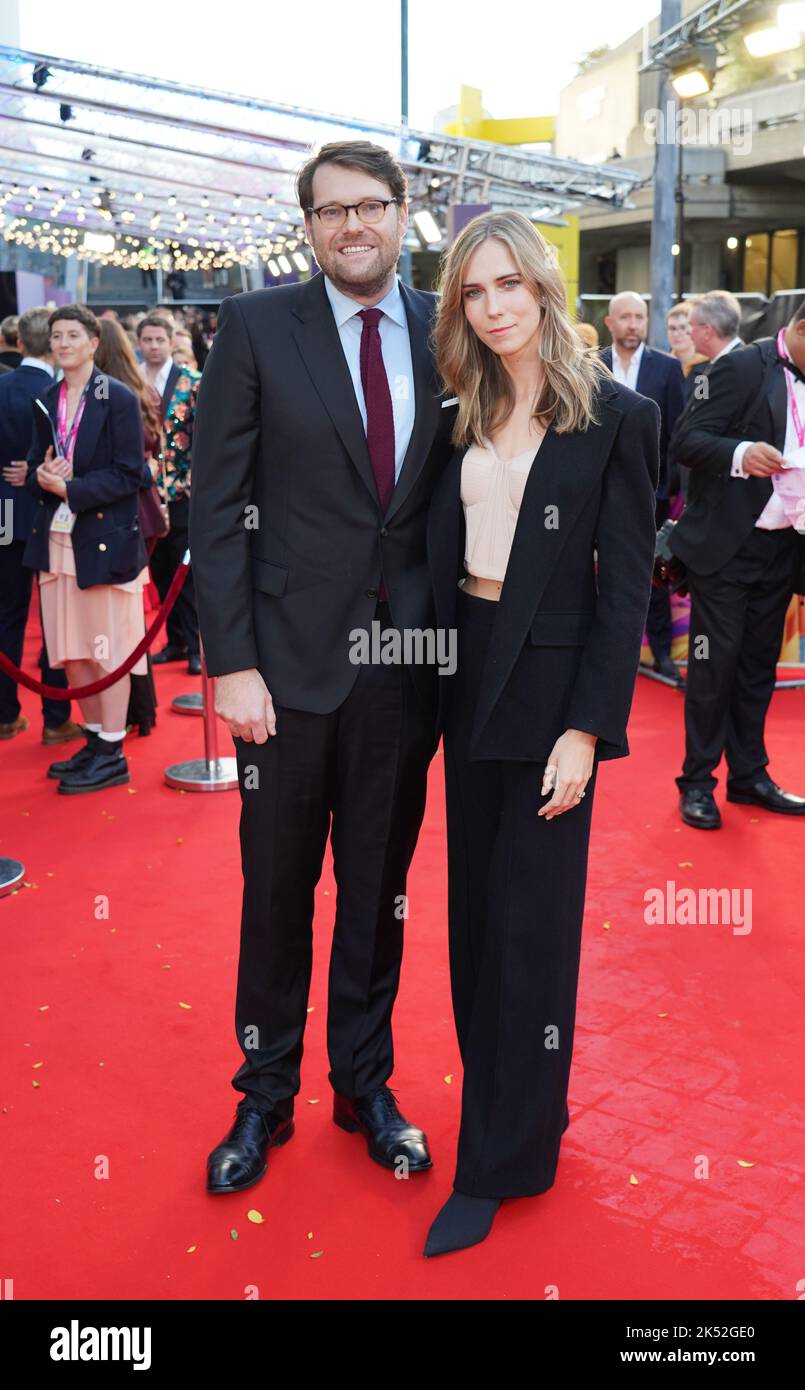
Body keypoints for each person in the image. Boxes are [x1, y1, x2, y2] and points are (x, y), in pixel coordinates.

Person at [189, 139, 457, 1195]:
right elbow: (216, 509)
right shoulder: (257, 327)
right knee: (276, 892)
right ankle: (263, 1093)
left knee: (378, 891)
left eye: (372, 207)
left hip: (406, 666)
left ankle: (361, 1082)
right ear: (307, 226)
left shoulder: (449, 326)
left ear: (402, 215)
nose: (353, 226)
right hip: (286, 673)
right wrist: (232, 663)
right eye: (331, 210)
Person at [425, 210, 659, 1255]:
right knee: (474, 922)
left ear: (544, 286)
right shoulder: (459, 410)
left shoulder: (614, 413)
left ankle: (500, 1162)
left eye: (509, 283)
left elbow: (620, 595)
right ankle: (512, 1109)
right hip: (464, 671)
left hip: (551, 690)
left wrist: (587, 730)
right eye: (475, 292)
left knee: (528, 932)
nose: (495, 305)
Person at [669, 299, 805, 829]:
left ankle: (749, 776)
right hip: (727, 550)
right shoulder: (739, 365)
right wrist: (741, 451)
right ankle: (697, 782)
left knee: (756, 671)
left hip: (783, 547)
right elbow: (686, 440)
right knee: (714, 669)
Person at [21, 305, 151, 793]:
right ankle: (95, 739)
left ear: (94, 342)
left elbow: (130, 474)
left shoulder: (115, 397)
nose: (63, 343)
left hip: (103, 541)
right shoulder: (46, 398)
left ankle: (114, 747)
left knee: (107, 651)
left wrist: (70, 490)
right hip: (54, 540)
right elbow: (38, 462)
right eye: (57, 336)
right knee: (72, 651)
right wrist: (41, 477)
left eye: (73, 335)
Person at [0, 307, 81, 744]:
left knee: (6, 617)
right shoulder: (59, 394)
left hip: (6, 516)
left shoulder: (4, 387)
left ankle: (4, 714)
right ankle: (55, 718)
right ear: (49, 343)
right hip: (51, 514)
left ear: (17, 343)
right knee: (54, 620)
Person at [600, 292, 685, 685]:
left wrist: (667, 489)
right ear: (610, 323)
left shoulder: (667, 369)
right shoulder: (591, 365)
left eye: (640, 317)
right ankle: (595, 652)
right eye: (626, 317)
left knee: (652, 572)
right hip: (593, 489)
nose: (634, 324)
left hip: (651, 491)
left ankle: (663, 655)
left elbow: (678, 434)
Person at [94, 317, 163, 737]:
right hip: (142, 515)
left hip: (123, 518)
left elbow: (131, 466)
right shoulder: (140, 391)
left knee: (121, 623)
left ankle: (136, 711)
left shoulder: (110, 397)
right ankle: (142, 707)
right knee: (130, 619)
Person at [137, 311, 202, 674]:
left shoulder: (193, 381)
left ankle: (196, 645)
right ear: (139, 343)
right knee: (160, 571)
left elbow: (207, 434)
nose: (154, 346)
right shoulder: (130, 382)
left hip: (183, 492)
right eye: (147, 340)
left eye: (160, 339)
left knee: (186, 573)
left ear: (171, 341)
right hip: (144, 496)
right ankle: (175, 641)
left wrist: (196, 477)